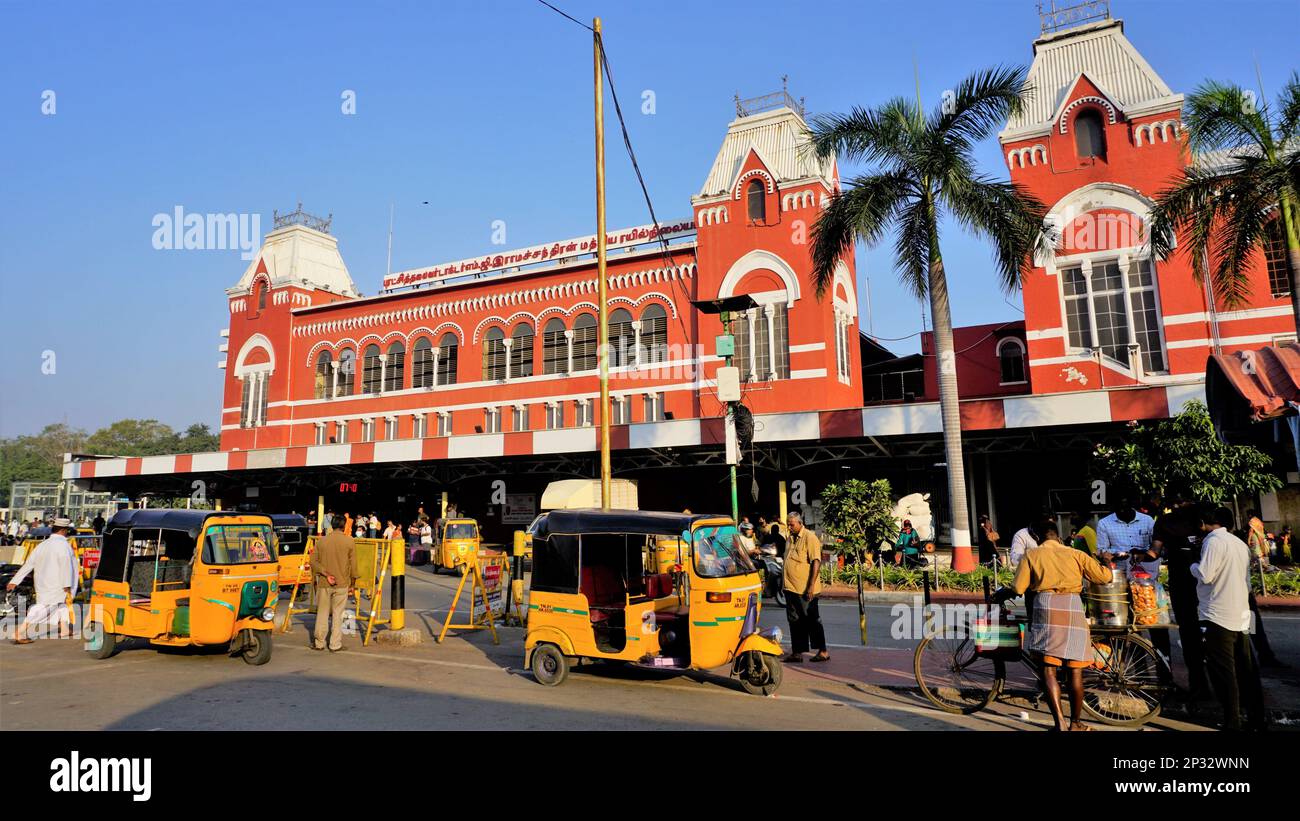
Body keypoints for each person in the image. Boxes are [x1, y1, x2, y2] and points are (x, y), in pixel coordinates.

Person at [1000, 521, 1112, 731]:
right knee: (1075, 671)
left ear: (1036, 537)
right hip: (1072, 606)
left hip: (1045, 606)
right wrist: (1106, 562)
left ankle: (1059, 723)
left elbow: (1018, 587)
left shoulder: (1032, 555)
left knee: (1049, 670)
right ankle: (1076, 723)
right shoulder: (1075, 554)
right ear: (1057, 536)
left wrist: (1005, 591)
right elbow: (1105, 577)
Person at [1193, 505, 1266, 731]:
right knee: (1246, 668)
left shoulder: (1213, 541)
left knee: (1224, 672)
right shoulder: (1238, 543)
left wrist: (1192, 565)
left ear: (1205, 522)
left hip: (1218, 615)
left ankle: (1232, 721)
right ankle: (1256, 718)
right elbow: (1246, 582)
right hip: (1242, 613)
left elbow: (1205, 574)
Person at [1152, 497, 1212, 702]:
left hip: (1186, 584)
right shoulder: (1201, 516)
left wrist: (1142, 555)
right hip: (1203, 586)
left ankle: (1199, 686)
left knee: (1191, 636)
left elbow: (1154, 551)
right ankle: (1207, 685)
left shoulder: (1166, 521)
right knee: (1207, 635)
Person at [6, 517, 78, 643]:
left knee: (61, 604)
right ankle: (20, 632)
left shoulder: (42, 545)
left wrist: (15, 581)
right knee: (43, 608)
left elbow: (29, 564)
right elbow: (66, 565)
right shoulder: (63, 546)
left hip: (42, 582)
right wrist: (67, 584)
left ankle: (65, 629)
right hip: (58, 583)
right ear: (63, 530)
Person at [783, 512, 828, 664]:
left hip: (805, 589)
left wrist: (810, 587)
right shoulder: (789, 538)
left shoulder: (810, 537)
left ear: (800, 523)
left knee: (812, 620)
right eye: (788, 524)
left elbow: (816, 562)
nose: (789, 527)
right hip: (790, 587)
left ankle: (823, 651)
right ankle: (797, 652)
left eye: (792, 524)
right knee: (794, 620)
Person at [312, 514, 357, 653]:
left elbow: (313, 562)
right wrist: (353, 583)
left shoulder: (321, 541)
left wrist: (325, 574)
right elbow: (354, 566)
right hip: (342, 583)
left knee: (322, 613)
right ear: (344, 526)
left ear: (331, 525)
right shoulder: (349, 541)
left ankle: (319, 643)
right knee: (338, 614)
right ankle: (335, 644)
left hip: (325, 583)